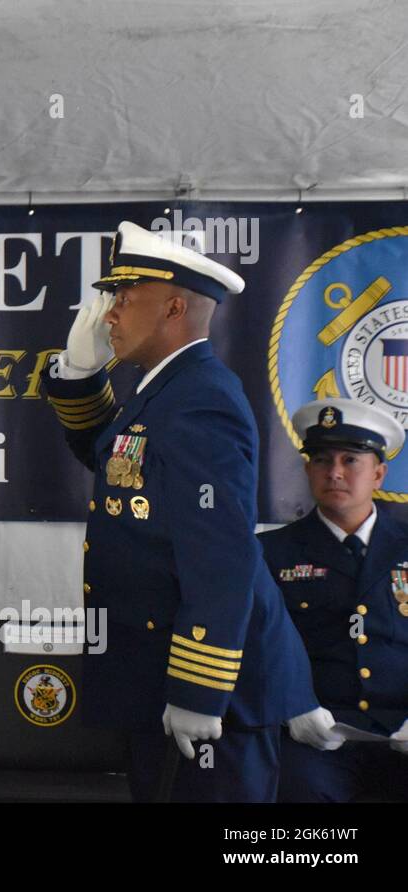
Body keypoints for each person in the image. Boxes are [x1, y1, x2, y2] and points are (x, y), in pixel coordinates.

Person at [45, 220, 317, 801]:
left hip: (207, 690)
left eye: (124, 298)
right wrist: (79, 375)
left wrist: (198, 689)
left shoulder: (202, 400)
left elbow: (221, 557)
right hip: (158, 675)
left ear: (173, 308)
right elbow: (111, 460)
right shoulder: (165, 390)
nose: (109, 314)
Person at [259, 398, 408, 800]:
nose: (335, 472)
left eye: (351, 460)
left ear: (378, 474)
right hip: (313, 736)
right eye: (323, 460)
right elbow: (251, 649)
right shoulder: (268, 554)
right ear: (308, 470)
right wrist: (291, 708)